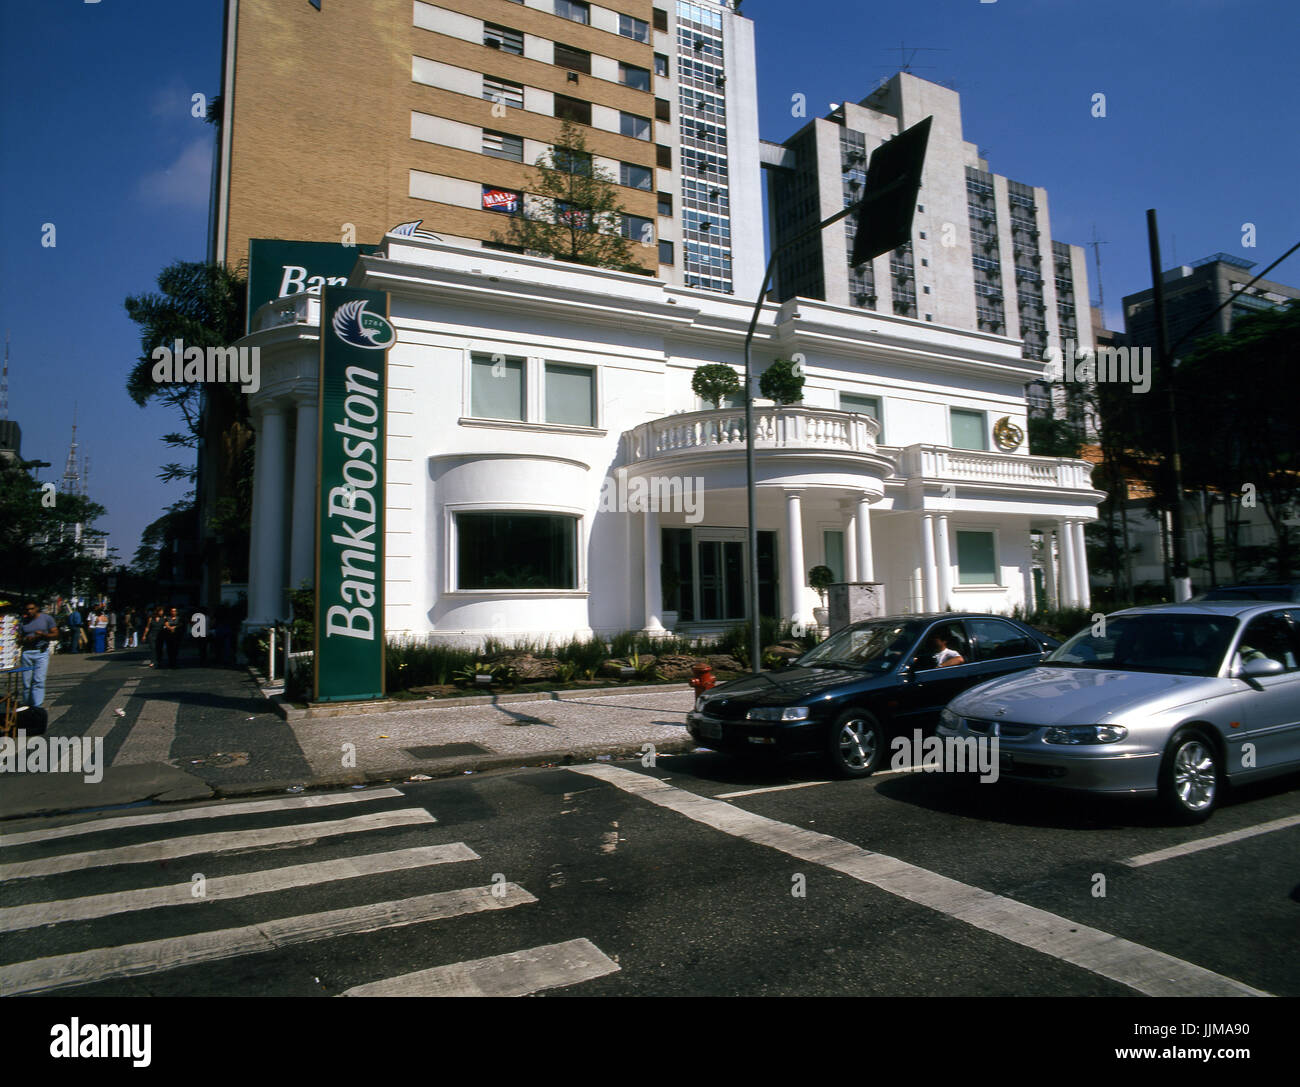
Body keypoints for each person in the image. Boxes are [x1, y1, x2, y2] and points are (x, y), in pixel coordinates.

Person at [19, 601, 59, 707]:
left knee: (39, 680)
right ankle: (27, 705)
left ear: (37, 608)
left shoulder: (46, 619)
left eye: (32, 609)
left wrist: (43, 635)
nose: (29, 611)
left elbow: (56, 634)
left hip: (41, 652)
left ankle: (37, 706)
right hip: (27, 652)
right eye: (27, 609)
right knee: (26, 683)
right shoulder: (23, 621)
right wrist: (26, 639)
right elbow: (19, 639)